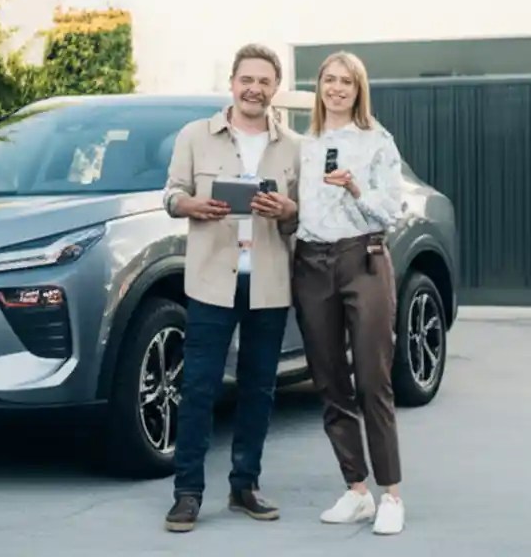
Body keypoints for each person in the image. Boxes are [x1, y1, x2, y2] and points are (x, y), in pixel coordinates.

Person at [160, 43, 301, 533]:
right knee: (198, 387)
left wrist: (288, 214)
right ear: (233, 83)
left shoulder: (293, 147)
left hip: (268, 283)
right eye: (248, 79)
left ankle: (245, 485)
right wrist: (191, 206)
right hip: (211, 279)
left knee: (259, 389)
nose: (255, 89)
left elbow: (302, 221)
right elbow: (171, 194)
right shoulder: (196, 136)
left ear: (274, 89)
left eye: (264, 81)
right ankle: (187, 493)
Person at [292, 50, 408, 536]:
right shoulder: (306, 143)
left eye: (347, 82)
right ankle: (356, 489)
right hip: (311, 262)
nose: (336, 88)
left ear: (359, 89)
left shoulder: (377, 141)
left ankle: (391, 495)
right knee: (328, 379)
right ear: (319, 86)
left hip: (362, 259)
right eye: (329, 80)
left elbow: (392, 211)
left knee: (372, 381)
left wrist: (357, 189)